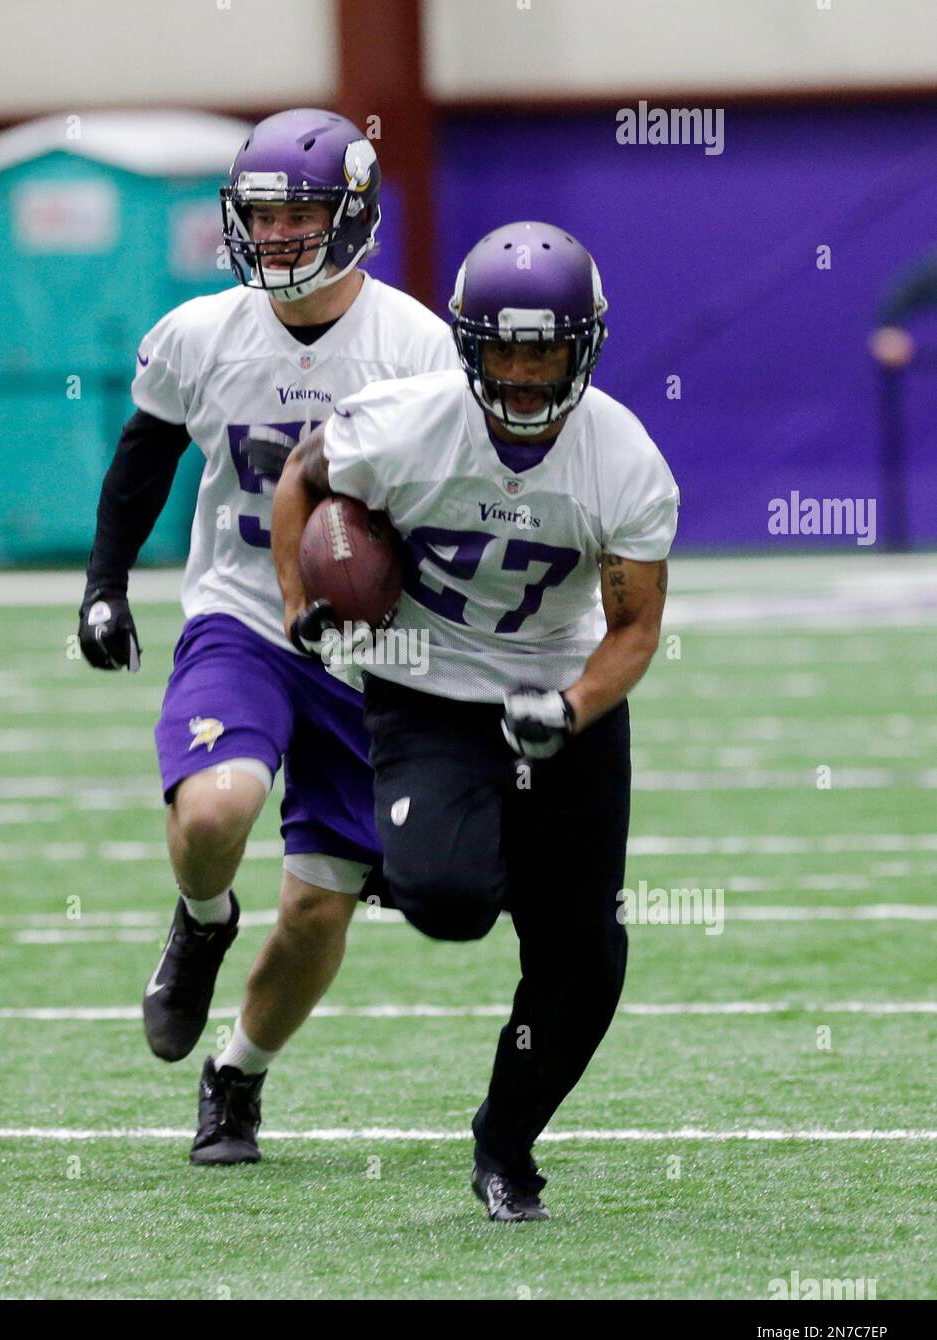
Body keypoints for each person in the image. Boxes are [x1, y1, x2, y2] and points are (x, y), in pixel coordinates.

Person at [272, 222, 679, 1220]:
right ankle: (421, 852)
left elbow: (634, 630)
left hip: (557, 698)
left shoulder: (622, 459)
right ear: (467, 344)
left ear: (584, 345)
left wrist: (570, 706)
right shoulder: (400, 425)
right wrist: (298, 603)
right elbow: (299, 481)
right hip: (428, 687)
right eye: (505, 346)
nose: (527, 371)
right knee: (448, 901)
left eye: (547, 347)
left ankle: (505, 1140)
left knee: (583, 956)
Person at [77, 109, 457, 1165]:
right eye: (264, 215)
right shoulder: (201, 331)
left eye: (301, 214)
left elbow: (452, 501)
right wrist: (105, 585)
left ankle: (234, 1076)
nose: (280, 236)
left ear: (354, 216)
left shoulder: (415, 346)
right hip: (242, 617)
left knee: (317, 911)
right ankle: (201, 918)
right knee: (217, 805)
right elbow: (143, 456)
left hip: (365, 652)